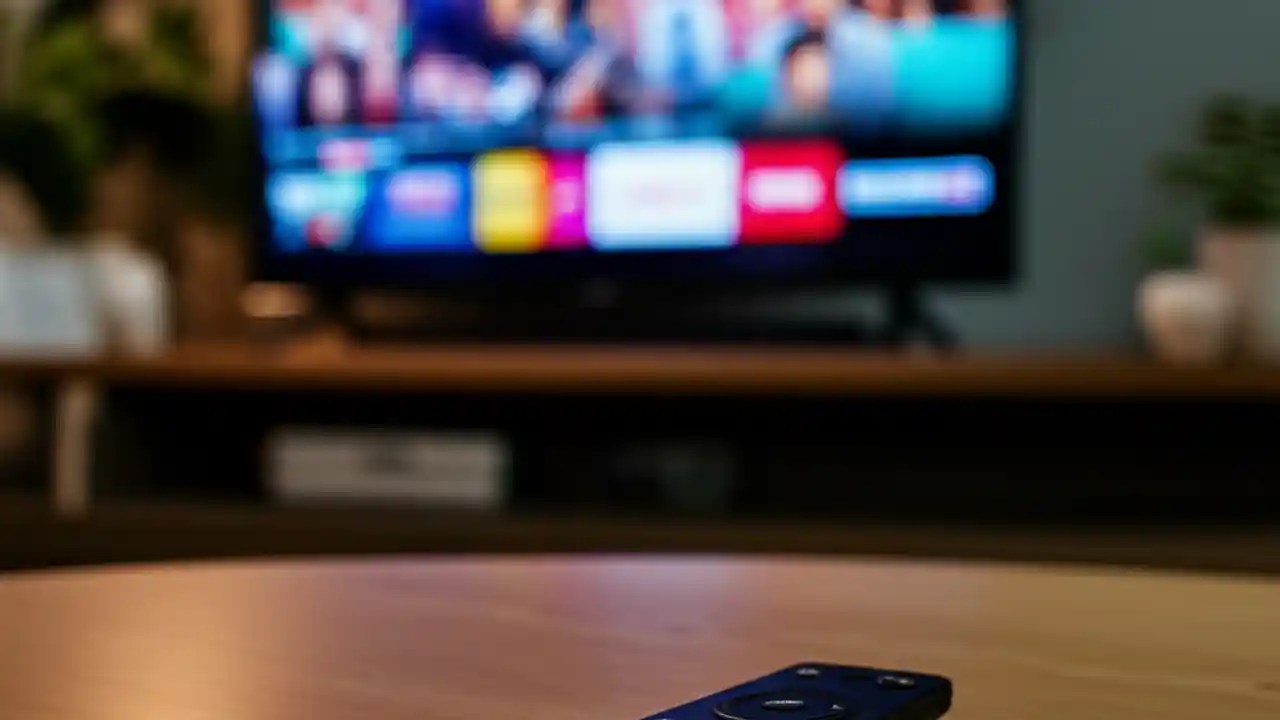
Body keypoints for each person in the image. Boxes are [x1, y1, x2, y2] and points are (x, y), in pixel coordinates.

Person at [296, 0, 363, 126]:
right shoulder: (301, 69)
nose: (329, 22)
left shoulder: (357, 68)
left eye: (334, 14)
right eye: (323, 15)